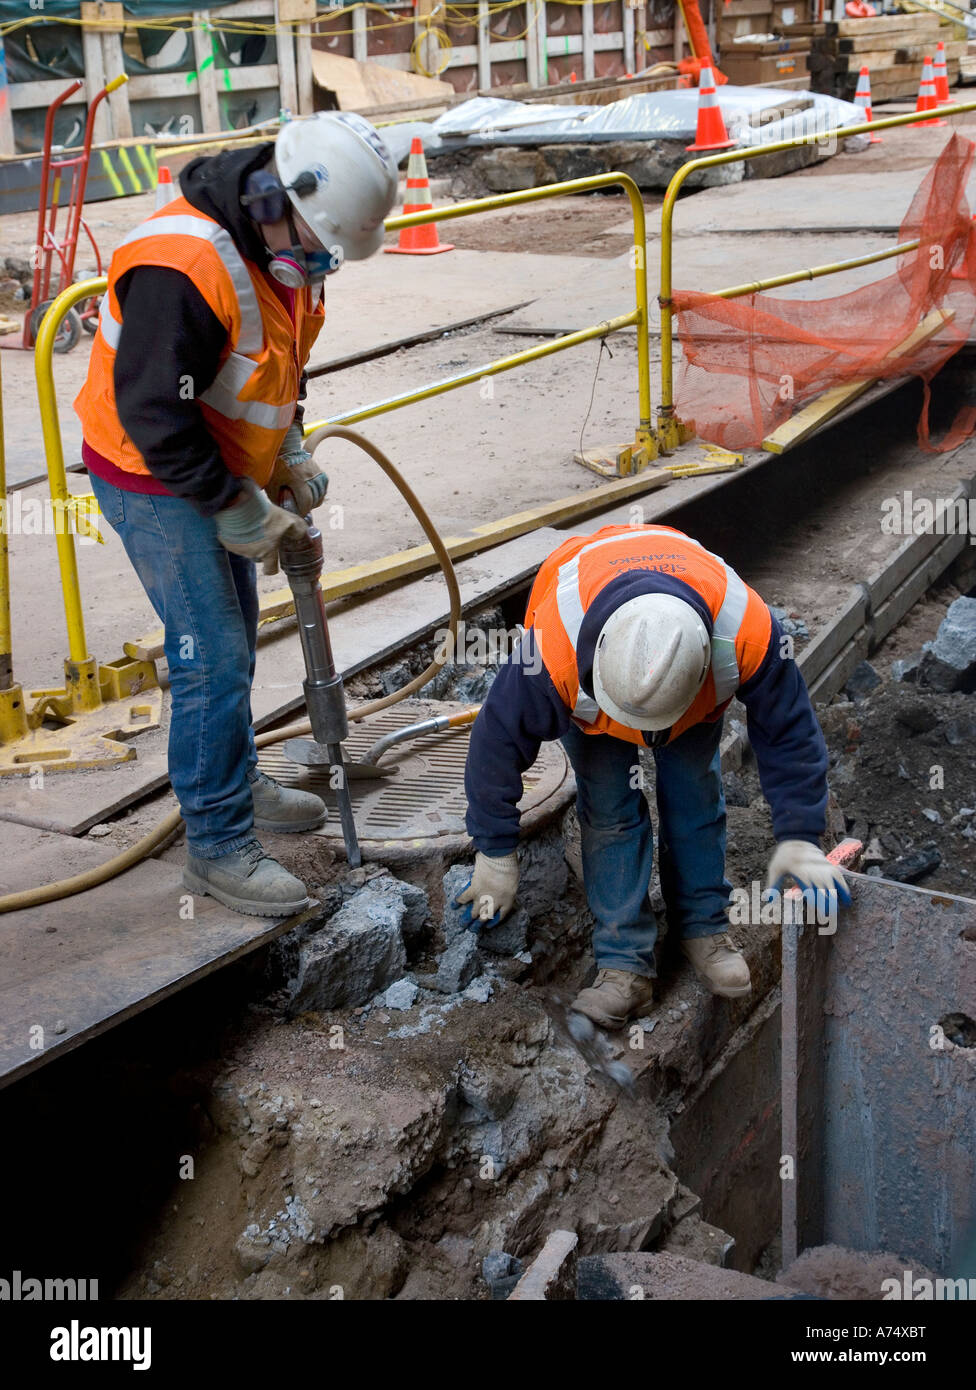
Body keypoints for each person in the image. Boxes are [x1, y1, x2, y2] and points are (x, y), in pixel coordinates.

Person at [74, 112, 399, 917]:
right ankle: (216, 847)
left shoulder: (291, 243)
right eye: (319, 244)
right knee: (209, 656)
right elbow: (154, 413)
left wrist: (287, 447)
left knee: (236, 636)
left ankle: (235, 779)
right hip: (152, 471)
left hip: (219, 462)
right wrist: (231, 507)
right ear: (274, 197)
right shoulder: (180, 265)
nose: (323, 263)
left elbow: (279, 360)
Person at [458, 522, 850, 1028]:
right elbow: (494, 746)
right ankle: (625, 968)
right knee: (611, 810)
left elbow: (790, 732)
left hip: (694, 698)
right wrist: (495, 851)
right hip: (591, 690)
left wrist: (800, 837)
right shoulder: (547, 654)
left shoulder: (747, 631)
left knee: (694, 795)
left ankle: (704, 928)